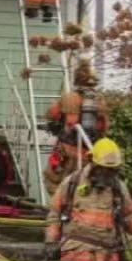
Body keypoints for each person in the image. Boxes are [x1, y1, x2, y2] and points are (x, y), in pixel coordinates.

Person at [43, 59, 109, 196]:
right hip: (90, 153)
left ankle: (61, 208)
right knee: (85, 185)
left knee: (52, 179)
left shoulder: (68, 97)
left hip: (67, 151)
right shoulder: (100, 100)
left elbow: (51, 115)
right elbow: (105, 127)